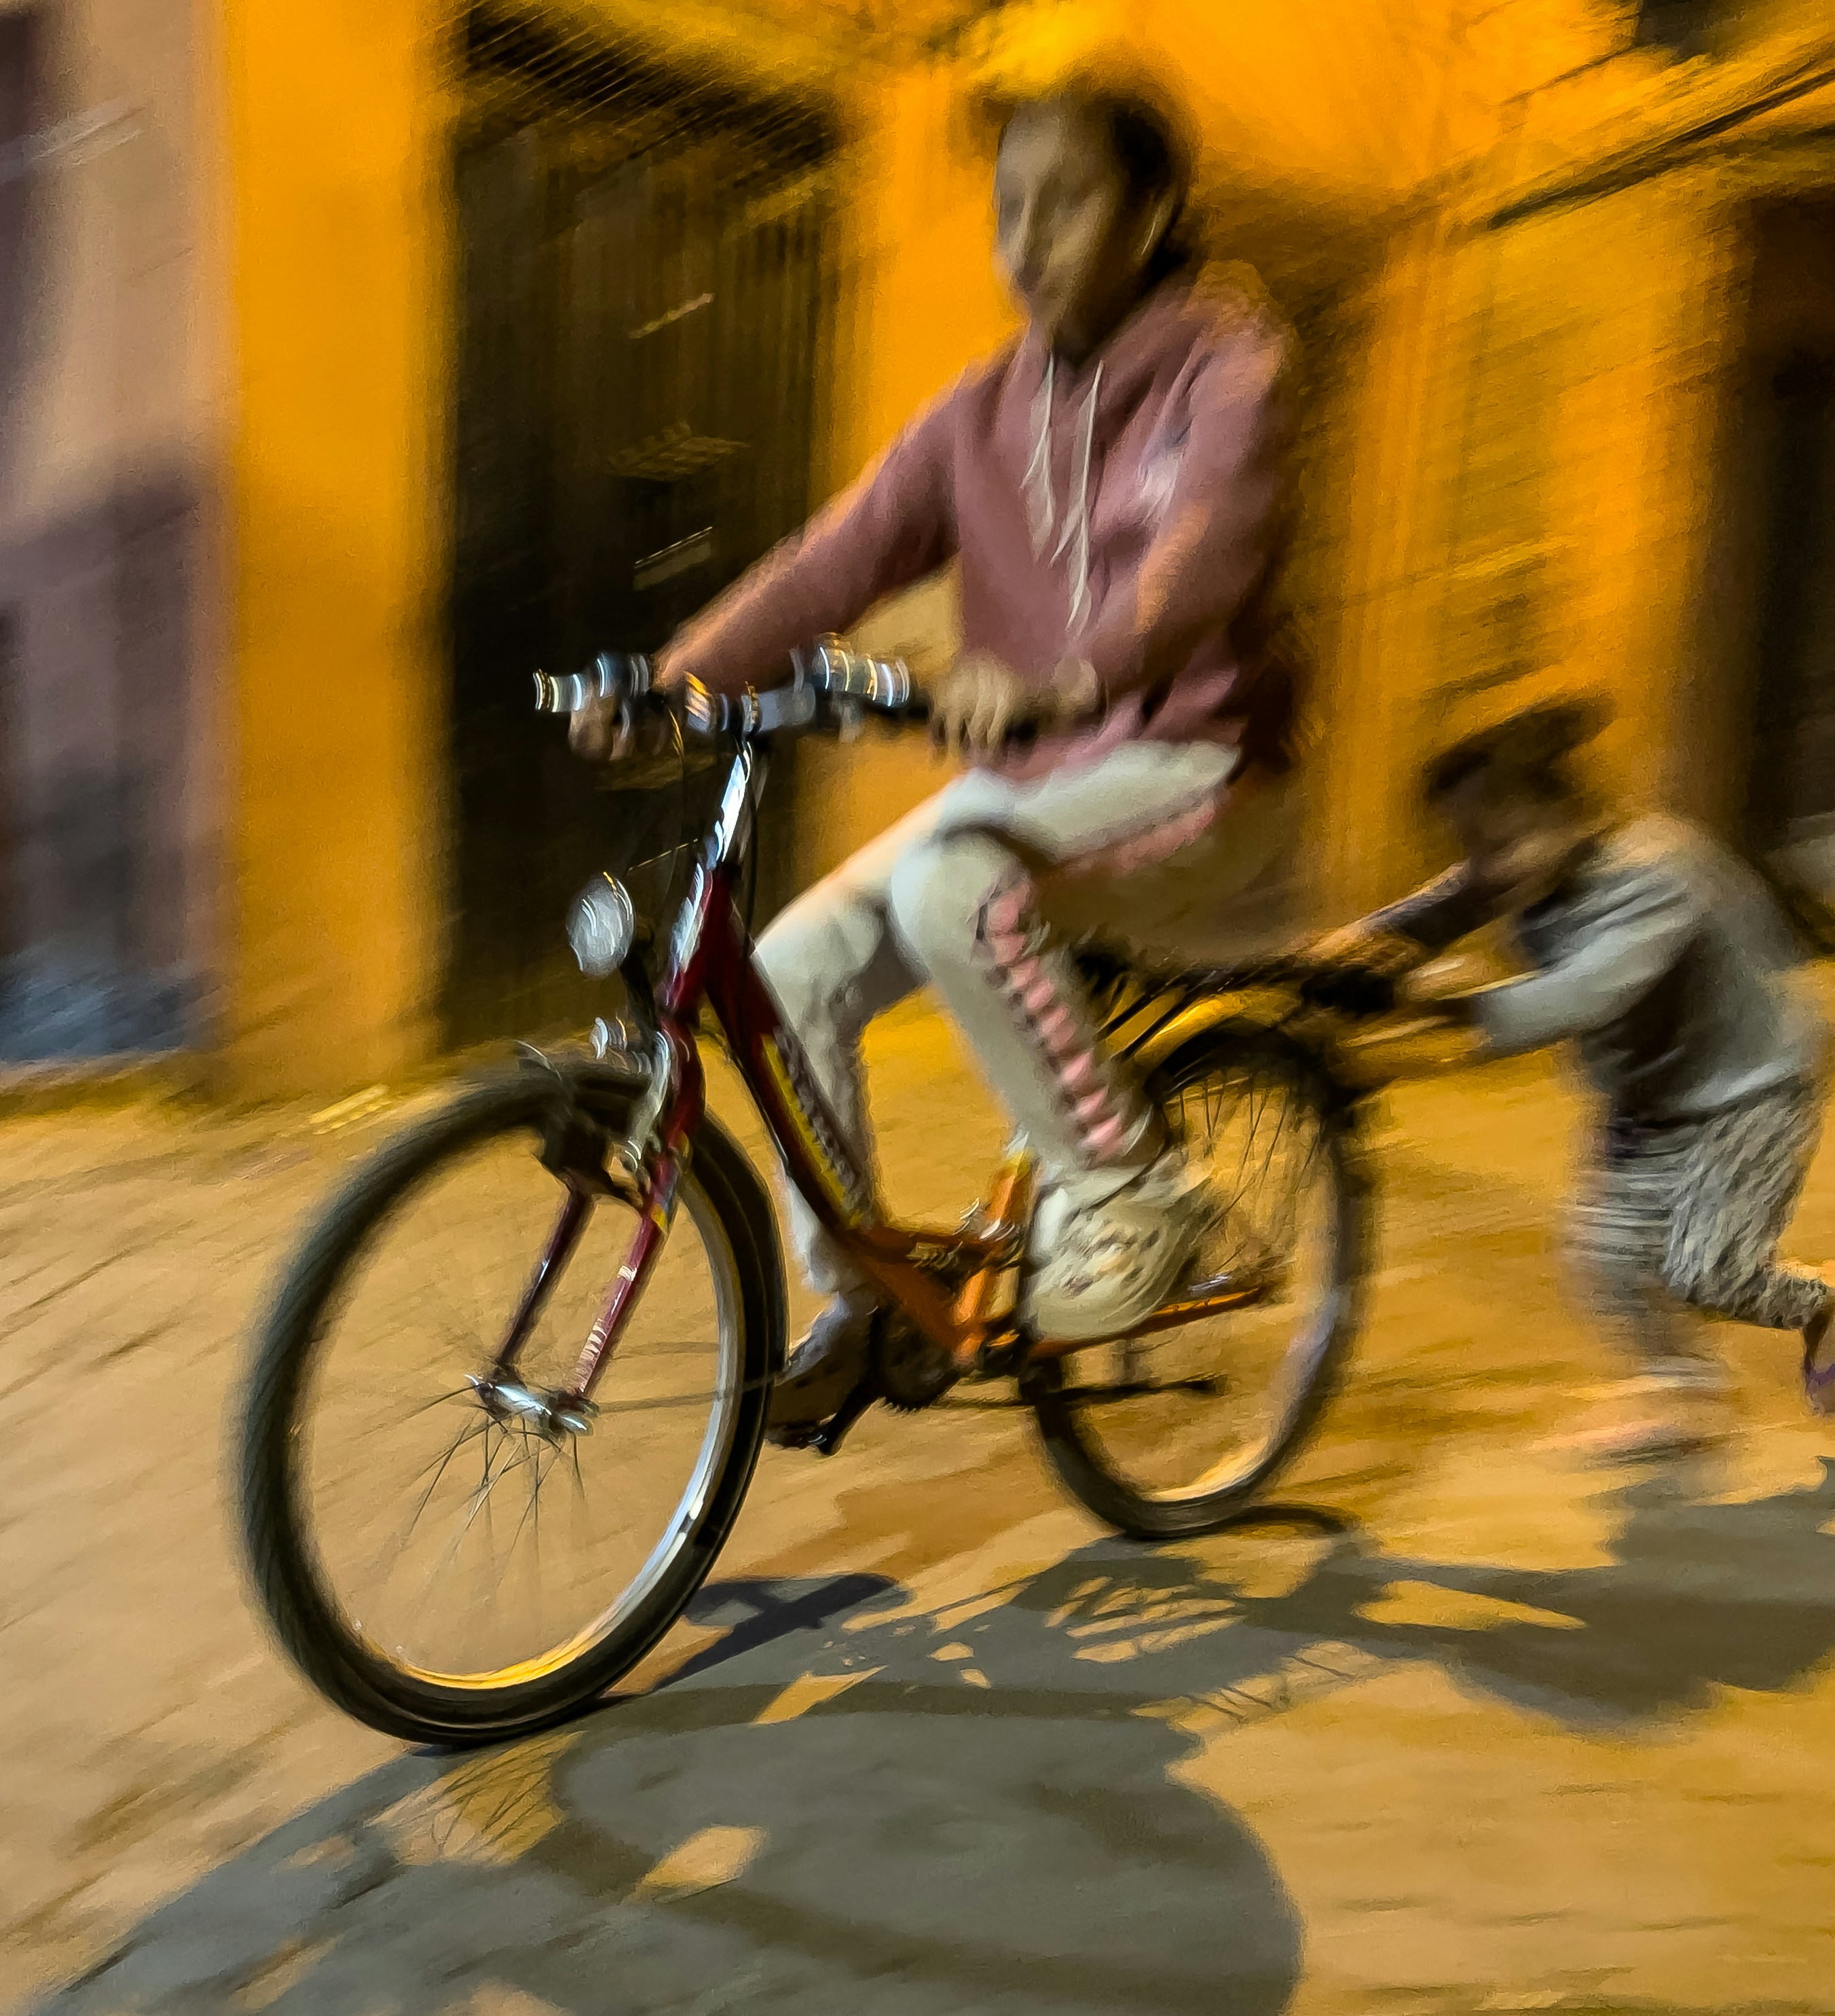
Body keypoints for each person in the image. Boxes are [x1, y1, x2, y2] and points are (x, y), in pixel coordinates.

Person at [574, 73, 1303, 1432]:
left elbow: (1197, 569)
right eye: (1005, 208)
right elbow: (827, 566)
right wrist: (674, 685)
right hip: (1039, 778)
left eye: (1066, 202)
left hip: (1193, 765)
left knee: (949, 885)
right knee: (787, 971)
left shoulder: (1228, 366)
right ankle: (861, 1297)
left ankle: (1129, 1191)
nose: (1026, 239)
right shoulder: (980, 413)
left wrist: (1059, 678)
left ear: (1152, 217)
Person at [1304, 698, 1835, 1462]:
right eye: (1471, 847)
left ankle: (1822, 1305)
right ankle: (1682, 1392)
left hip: (1748, 1092)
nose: (1489, 868)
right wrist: (1329, 960)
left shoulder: (1657, 872)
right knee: (1608, 1255)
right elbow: (1419, 918)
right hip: (1647, 1095)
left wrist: (1416, 1006)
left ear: (1569, 811)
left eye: (1504, 840)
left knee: (1706, 1273)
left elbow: (1582, 994)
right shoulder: (1519, 873)